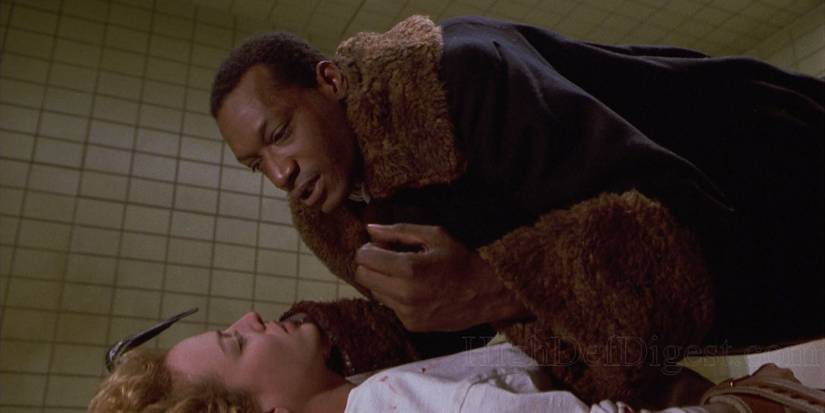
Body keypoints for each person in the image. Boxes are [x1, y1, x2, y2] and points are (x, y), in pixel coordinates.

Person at [209, 15, 824, 406]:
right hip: (744, 303)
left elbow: (681, 221)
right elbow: (443, 317)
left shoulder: (458, 76)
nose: (281, 175)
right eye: (256, 164)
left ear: (330, 82)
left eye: (280, 134)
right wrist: (313, 341)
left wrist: (494, 285)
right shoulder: (333, 213)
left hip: (780, 167)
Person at [88, 310, 825, 413]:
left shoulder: (374, 387)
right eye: (236, 341)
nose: (250, 318)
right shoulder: (392, 404)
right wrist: (750, 399)